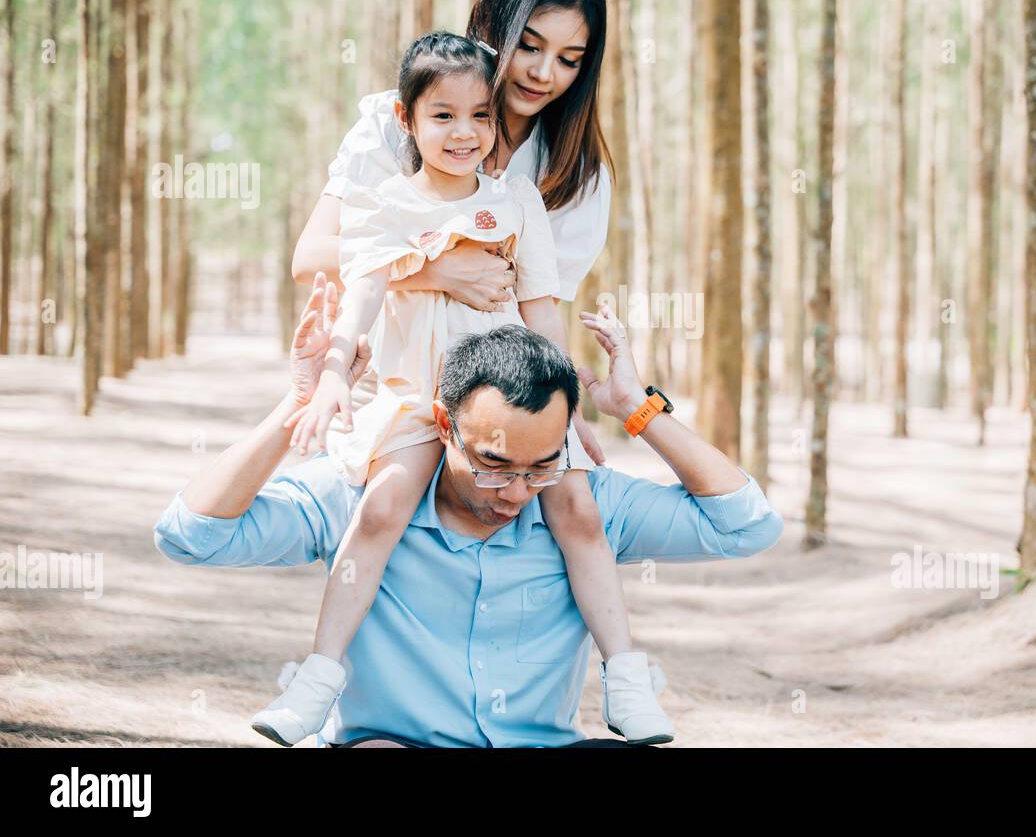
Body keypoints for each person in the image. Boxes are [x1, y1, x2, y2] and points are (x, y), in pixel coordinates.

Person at [248, 30, 670, 748]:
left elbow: (541, 312)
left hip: (509, 402)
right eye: (442, 115)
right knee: (380, 512)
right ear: (405, 121)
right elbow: (357, 306)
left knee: (577, 508)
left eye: (481, 116)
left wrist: (562, 410)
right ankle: (316, 684)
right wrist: (327, 381)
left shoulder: (516, 206)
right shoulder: (381, 206)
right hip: (418, 401)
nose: (465, 131)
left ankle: (627, 681)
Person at [153, 285, 784, 747]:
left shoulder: (586, 507)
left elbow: (746, 525)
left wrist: (640, 411)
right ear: (444, 424)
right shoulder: (363, 497)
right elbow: (193, 537)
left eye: (541, 466)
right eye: (493, 464)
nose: (516, 491)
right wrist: (295, 403)